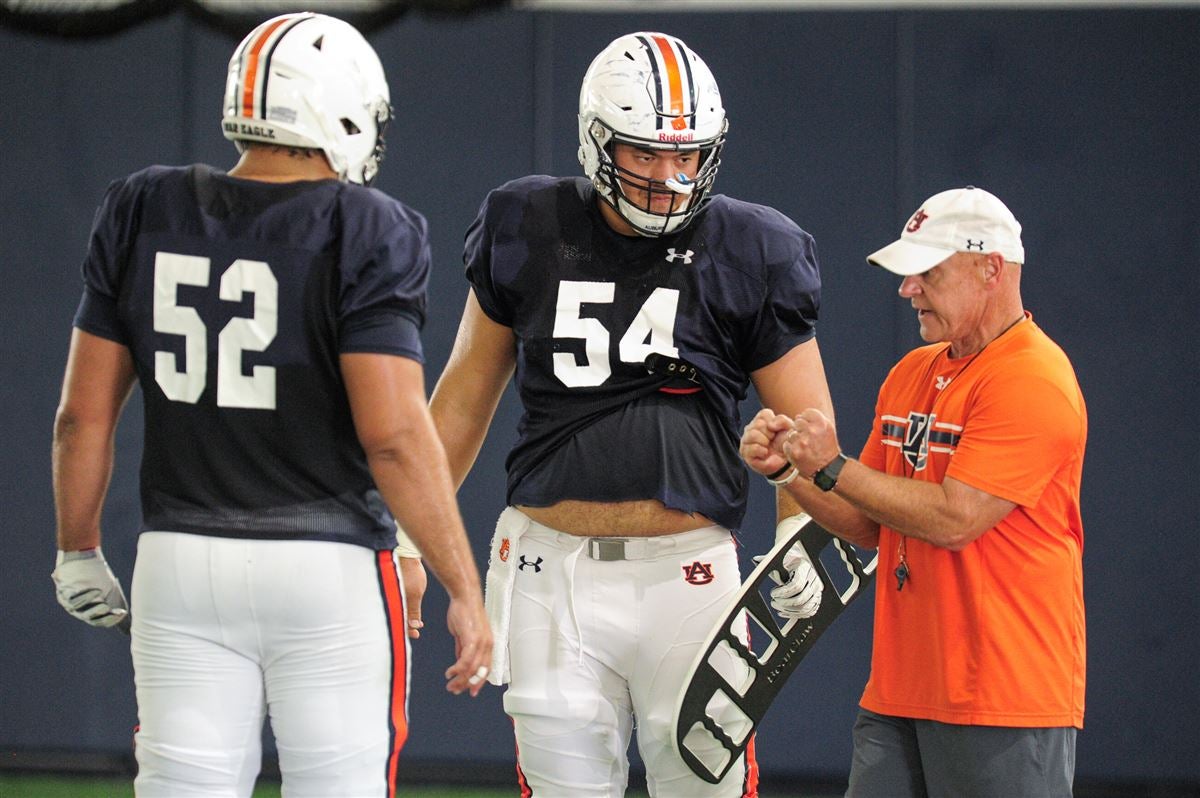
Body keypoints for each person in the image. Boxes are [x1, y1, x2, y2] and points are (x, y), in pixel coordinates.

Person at [50, 12, 491, 797]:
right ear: (342, 110)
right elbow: (392, 436)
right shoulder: (368, 224)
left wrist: (77, 547)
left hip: (177, 561)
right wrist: (462, 581)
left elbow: (81, 417)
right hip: (326, 569)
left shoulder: (143, 205)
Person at [428, 31, 831, 798]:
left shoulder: (754, 244)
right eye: (644, 154)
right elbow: (460, 401)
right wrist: (413, 542)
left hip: (693, 579)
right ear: (595, 141)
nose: (669, 178)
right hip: (549, 570)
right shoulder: (527, 223)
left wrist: (797, 525)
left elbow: (807, 425)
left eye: (686, 157)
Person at [740, 186, 1087, 798]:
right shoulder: (911, 373)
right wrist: (791, 472)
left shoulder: (1033, 378)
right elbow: (866, 519)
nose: (908, 288)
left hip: (1003, 697)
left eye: (927, 271)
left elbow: (956, 519)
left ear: (991, 270)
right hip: (899, 690)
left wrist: (834, 466)